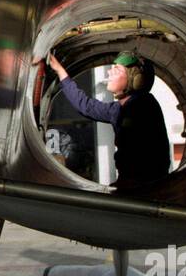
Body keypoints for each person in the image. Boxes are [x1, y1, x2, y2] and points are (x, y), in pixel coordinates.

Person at [44, 50, 171, 186]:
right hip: (132, 183)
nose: (109, 72)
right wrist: (60, 71)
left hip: (144, 187)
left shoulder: (144, 107)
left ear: (136, 80)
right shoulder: (119, 109)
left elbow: (147, 162)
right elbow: (86, 106)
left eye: (117, 69)